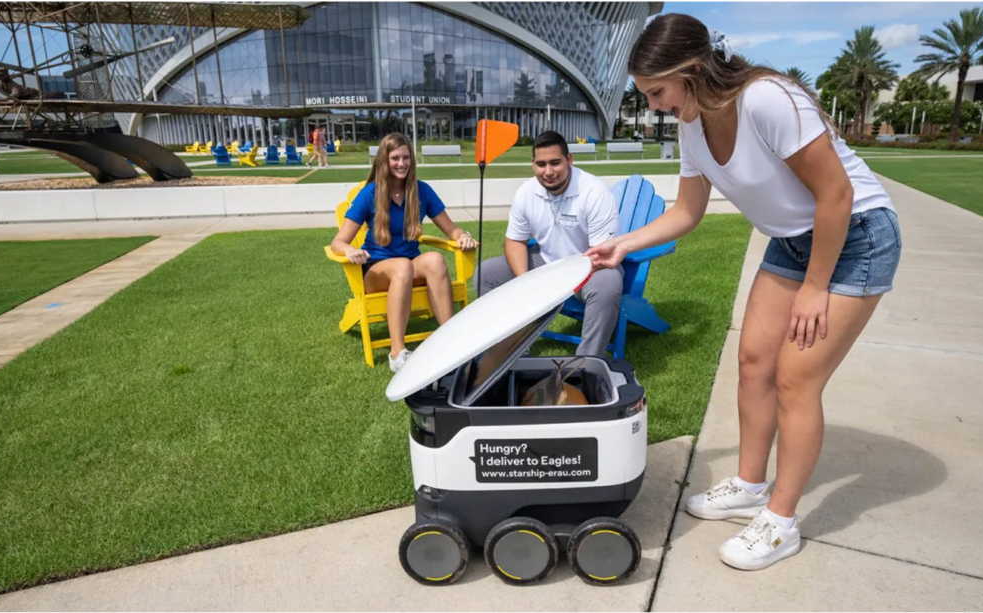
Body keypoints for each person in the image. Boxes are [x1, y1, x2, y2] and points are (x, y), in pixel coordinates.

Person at [586, 14, 902, 571]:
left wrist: (816, 287)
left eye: (657, 92)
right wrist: (622, 244)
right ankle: (751, 487)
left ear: (691, 71)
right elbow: (687, 212)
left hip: (856, 237)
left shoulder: (767, 100)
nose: (654, 106)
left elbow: (837, 194)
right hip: (792, 242)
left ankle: (781, 522)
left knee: (795, 379)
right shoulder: (690, 126)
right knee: (754, 362)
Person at [330, 133, 477, 371]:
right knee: (402, 265)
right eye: (395, 158)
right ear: (384, 161)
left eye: (406, 157)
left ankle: (449, 342)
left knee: (435, 260)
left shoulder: (421, 191)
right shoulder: (370, 194)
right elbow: (338, 242)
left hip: (408, 266)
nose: (402, 163)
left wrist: (463, 236)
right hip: (375, 271)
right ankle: (397, 354)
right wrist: (349, 250)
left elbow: (451, 229)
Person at [476, 131, 622, 357]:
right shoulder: (526, 192)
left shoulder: (595, 193)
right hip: (547, 262)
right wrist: (526, 281)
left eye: (555, 162)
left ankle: (585, 362)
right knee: (485, 274)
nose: (548, 172)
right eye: (541, 164)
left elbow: (601, 255)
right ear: (533, 164)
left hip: (589, 266)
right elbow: (515, 240)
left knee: (608, 283)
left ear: (569, 160)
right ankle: (512, 350)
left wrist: (560, 284)